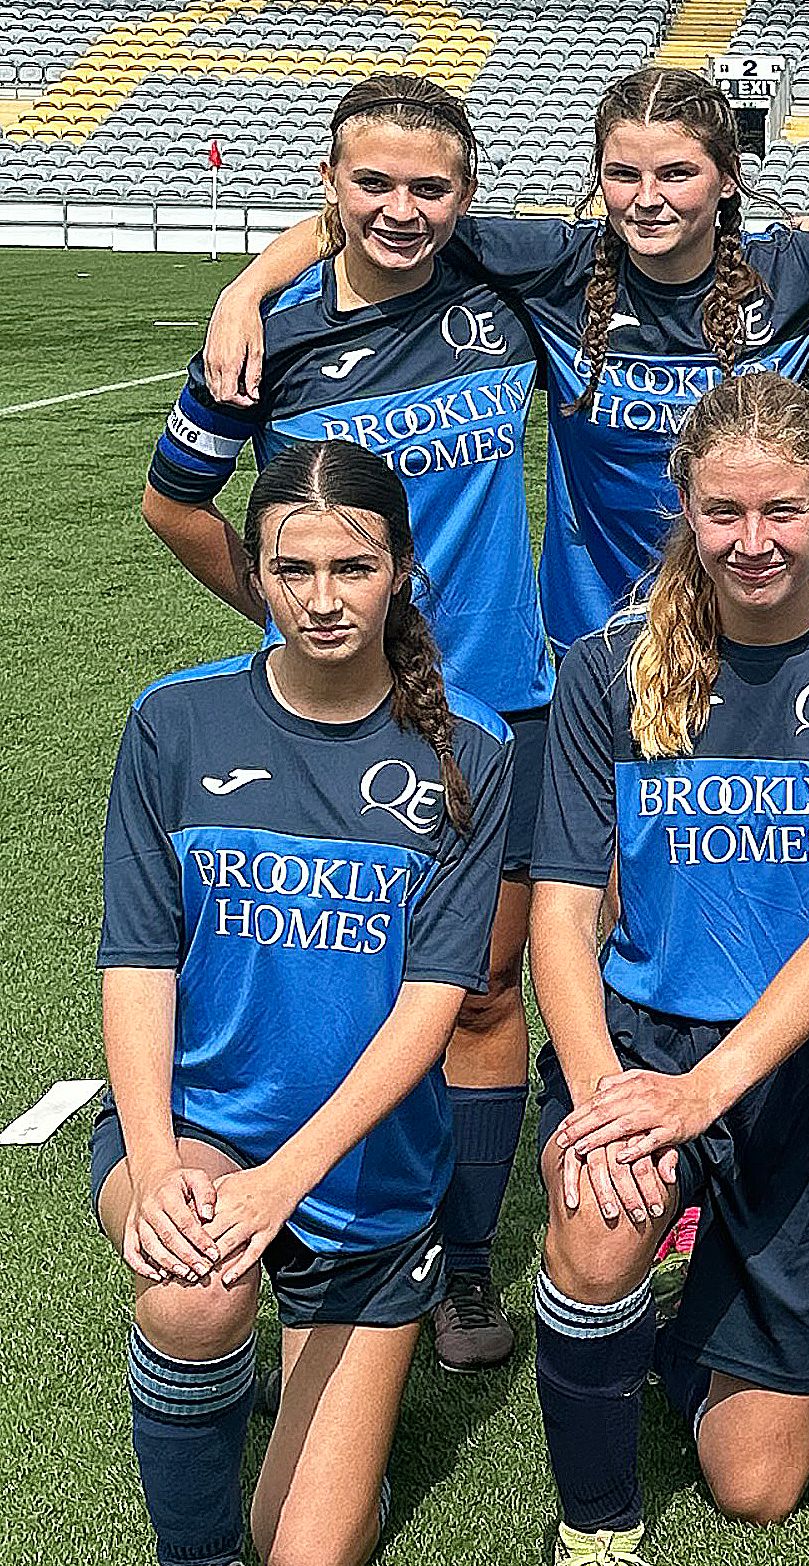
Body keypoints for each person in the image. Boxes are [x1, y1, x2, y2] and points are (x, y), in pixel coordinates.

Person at [199, 67, 809, 654]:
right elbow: (391, 214)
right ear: (597, 178)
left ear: (727, 177)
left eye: (677, 172)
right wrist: (248, 290)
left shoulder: (796, 270)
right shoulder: (559, 268)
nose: (648, 199)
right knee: (598, 896)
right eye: (623, 174)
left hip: (754, 633)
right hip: (592, 642)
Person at [141, 71, 544, 1374]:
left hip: (500, 708)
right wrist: (290, 619)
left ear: (466, 195)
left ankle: (461, 1261)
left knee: (483, 988)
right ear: (330, 186)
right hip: (337, 720)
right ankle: (282, 1237)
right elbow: (176, 505)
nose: (401, 208)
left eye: (430, 185)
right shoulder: (271, 338)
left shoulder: (501, 299)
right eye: (372, 182)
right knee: (321, 988)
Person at [522, 374, 809, 1563]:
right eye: (723, 513)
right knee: (602, 1227)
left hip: (803, 1069)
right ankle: (595, 1524)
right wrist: (612, 1094)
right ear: (685, 506)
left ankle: (703, 1305)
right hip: (642, 1041)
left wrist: (705, 1101)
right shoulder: (612, 667)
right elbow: (563, 914)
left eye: (781, 512)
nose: (752, 543)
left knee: (756, 1488)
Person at [96, 439, 512, 1566]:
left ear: (402, 571)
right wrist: (161, 1167)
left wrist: (288, 1184)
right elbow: (136, 961)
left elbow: (434, 1008)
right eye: (294, 570)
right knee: (194, 1288)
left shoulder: (467, 750)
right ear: (259, 575)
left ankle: (328, 1427)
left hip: (366, 1168)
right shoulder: (173, 724)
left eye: (353, 567)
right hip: (203, 1128)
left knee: (313, 1552)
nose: (322, 600)